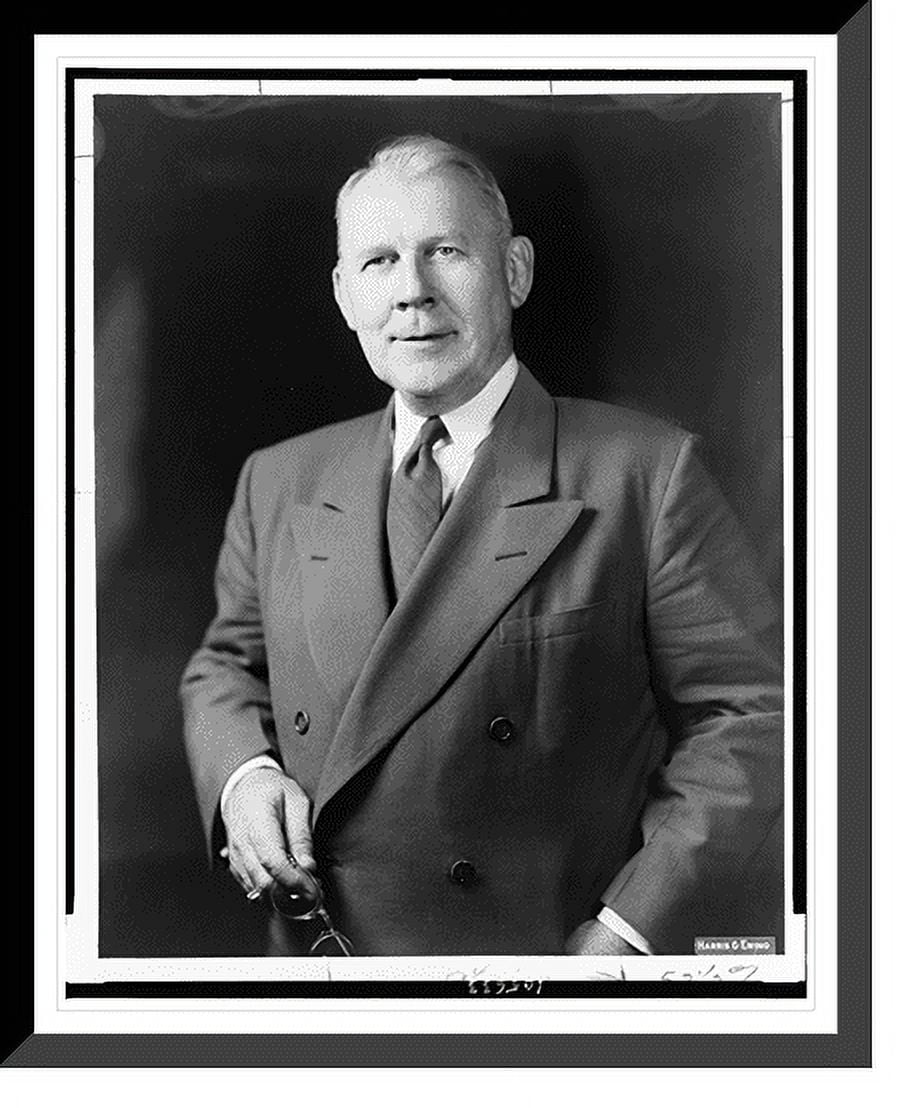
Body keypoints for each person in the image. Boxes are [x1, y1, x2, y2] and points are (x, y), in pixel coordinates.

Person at [180, 134, 783, 957]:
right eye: (379, 262)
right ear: (342, 295)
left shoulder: (646, 473)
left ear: (515, 271)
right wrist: (244, 777)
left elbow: (752, 718)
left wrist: (625, 932)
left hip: (541, 978)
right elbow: (226, 668)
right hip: (328, 967)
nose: (412, 294)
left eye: (446, 252)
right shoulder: (279, 480)